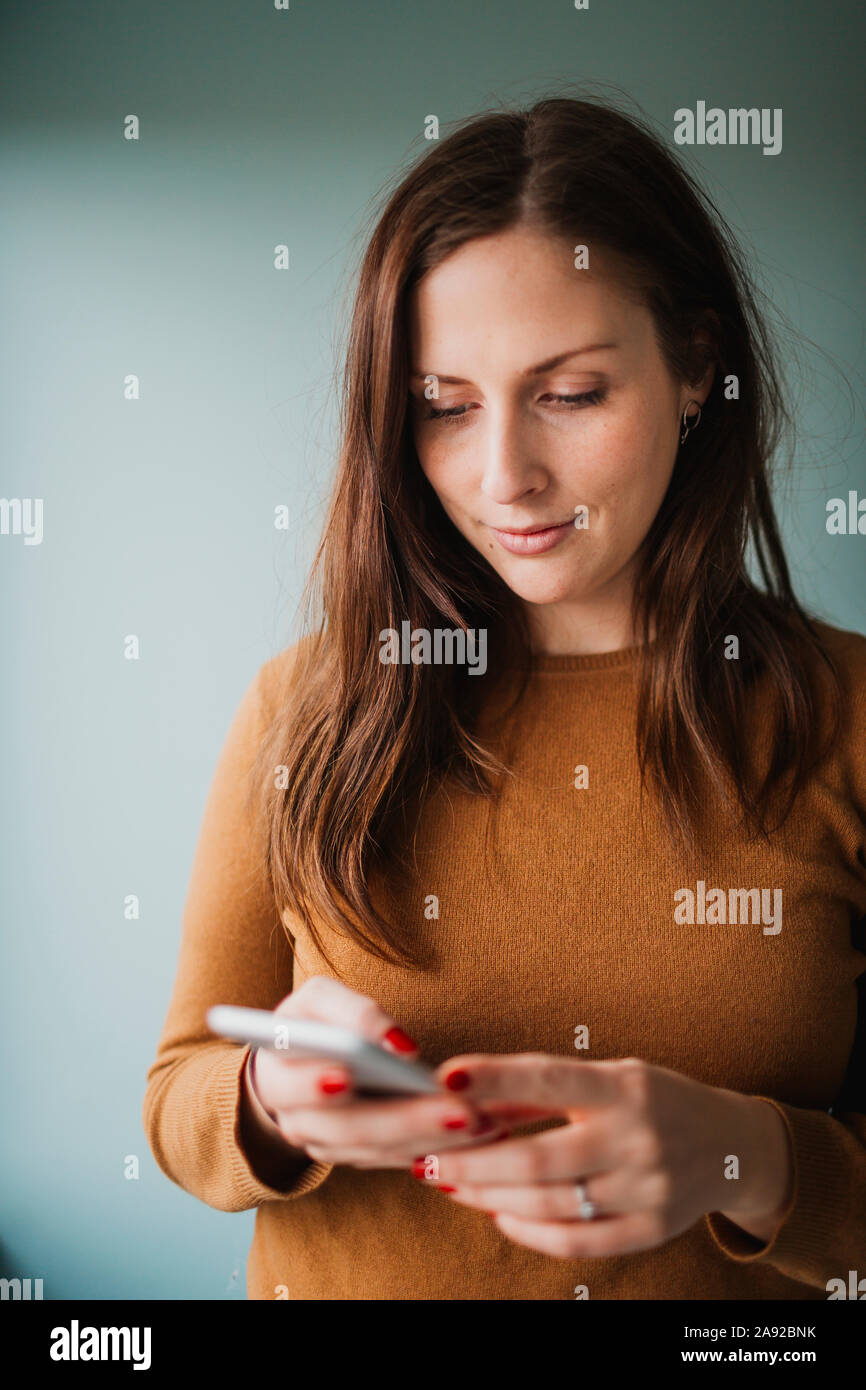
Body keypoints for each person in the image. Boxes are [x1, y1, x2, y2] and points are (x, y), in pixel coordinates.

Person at [143, 94, 866, 1301]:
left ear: (695, 367)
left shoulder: (845, 714)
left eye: (571, 394)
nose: (503, 478)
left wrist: (743, 1155)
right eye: (442, 408)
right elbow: (179, 1107)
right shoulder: (304, 706)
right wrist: (275, 1099)